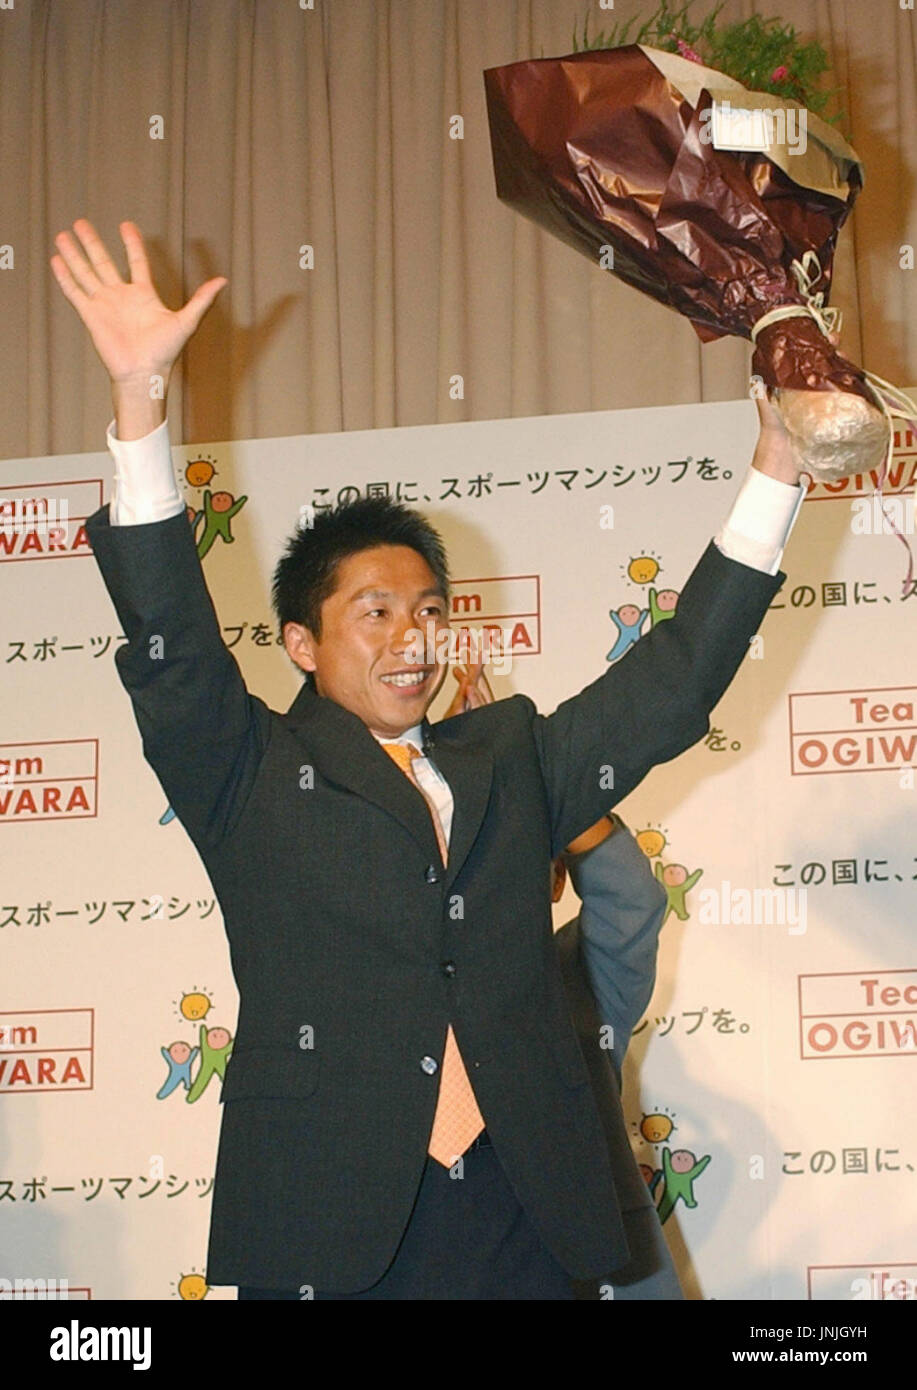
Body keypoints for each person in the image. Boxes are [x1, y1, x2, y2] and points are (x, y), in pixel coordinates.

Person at [51, 218, 806, 1300]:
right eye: (374, 612)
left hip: (528, 1209)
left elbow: (673, 683)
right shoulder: (247, 773)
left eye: (427, 610)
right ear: (303, 646)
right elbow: (169, 641)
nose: (411, 635)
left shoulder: (512, 756)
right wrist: (140, 405)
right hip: (333, 1221)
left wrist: (775, 463)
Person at [447, 663, 681, 1299]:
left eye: (517, 864)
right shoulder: (368, 984)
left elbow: (631, 900)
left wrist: (534, 773)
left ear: (556, 882)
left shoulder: (581, 978)